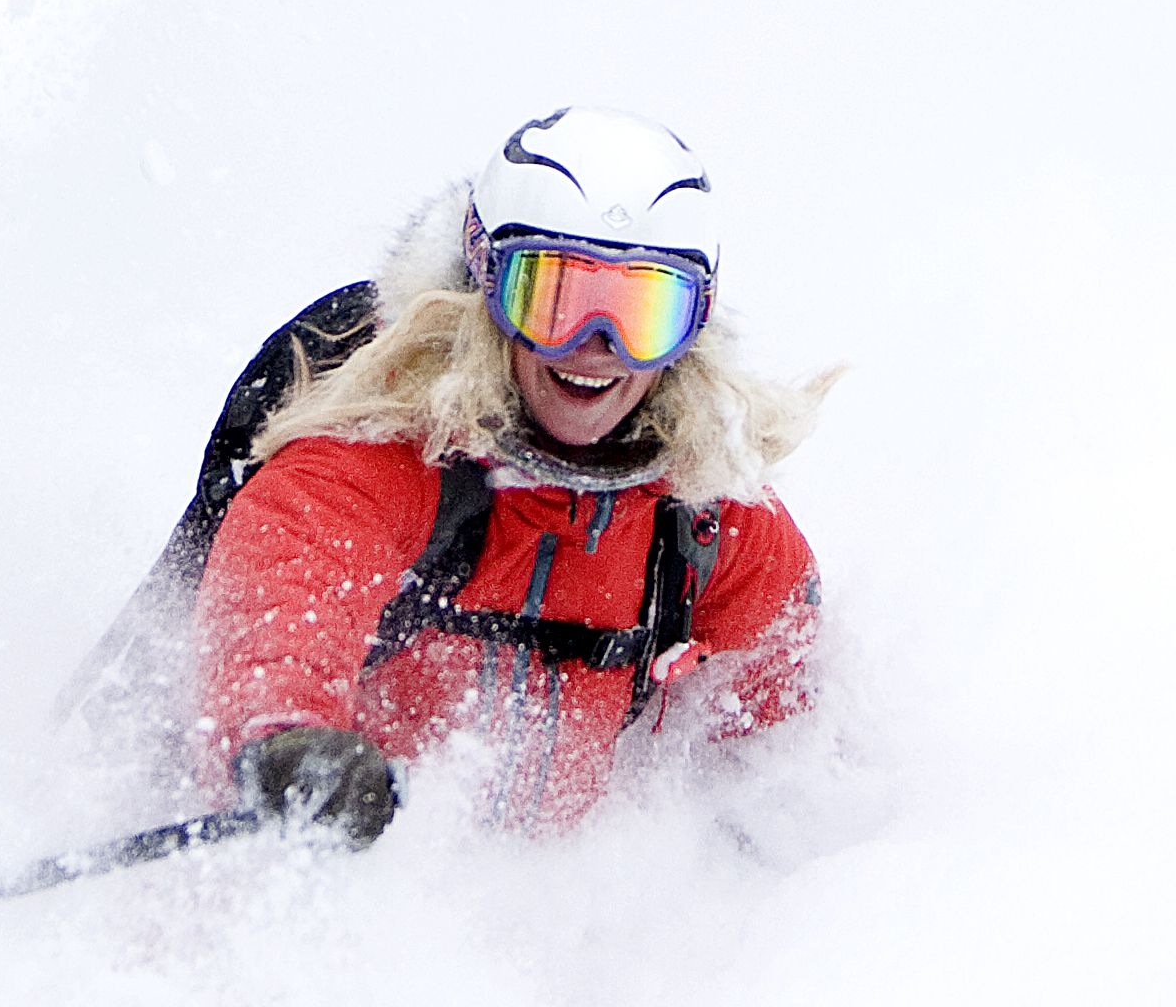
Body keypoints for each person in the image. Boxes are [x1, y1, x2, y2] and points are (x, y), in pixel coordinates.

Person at [184, 106, 830, 844]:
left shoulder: (708, 522)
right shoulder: (376, 464)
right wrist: (290, 744)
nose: (597, 346)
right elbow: (282, 606)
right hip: (345, 877)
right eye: (554, 299)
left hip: (571, 907)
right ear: (483, 286)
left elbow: (784, 757)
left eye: (645, 311)